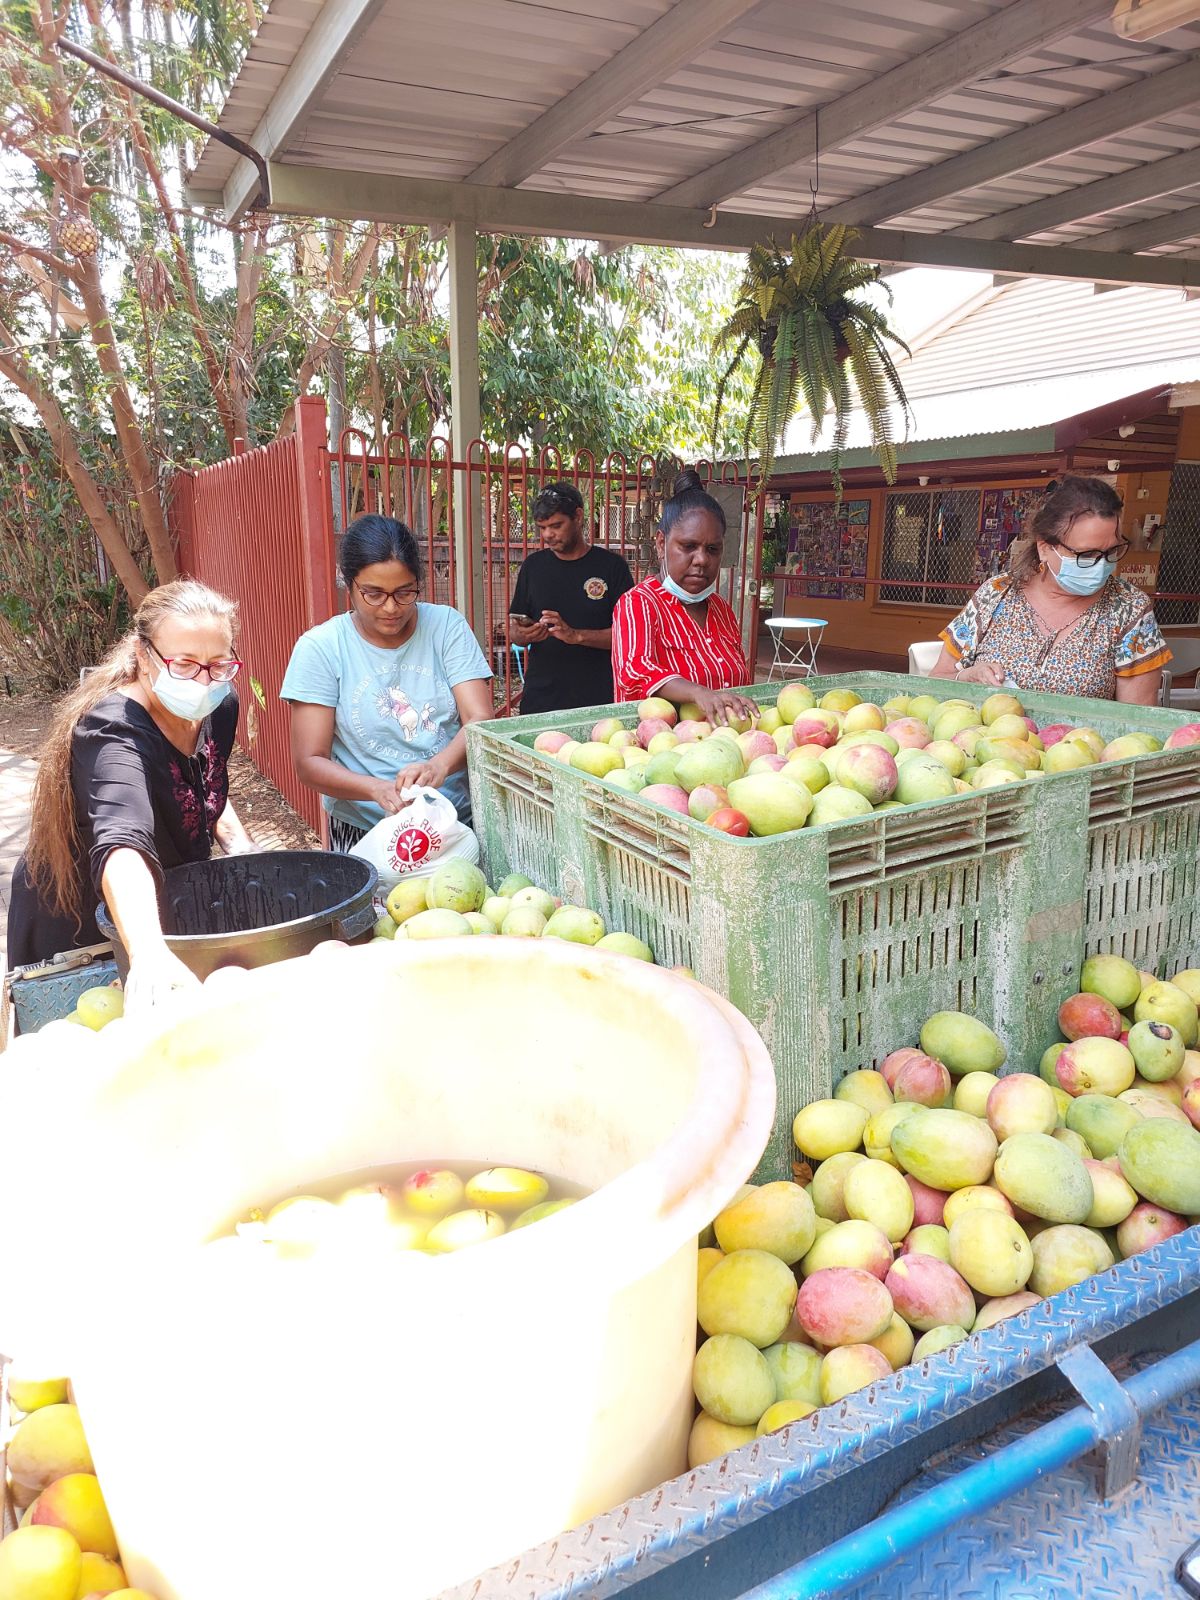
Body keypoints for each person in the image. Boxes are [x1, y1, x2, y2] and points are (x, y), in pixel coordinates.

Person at [7, 580, 253, 1008]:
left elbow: (204, 780)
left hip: (162, 904)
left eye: (218, 664)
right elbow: (123, 843)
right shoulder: (114, 731)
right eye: (184, 665)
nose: (203, 680)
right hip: (82, 923)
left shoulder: (220, 704)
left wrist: (243, 851)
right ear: (143, 655)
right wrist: (148, 953)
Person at [282, 514, 493, 852]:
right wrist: (376, 790)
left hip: (453, 821)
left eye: (405, 592)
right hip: (365, 829)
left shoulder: (446, 627)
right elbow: (310, 762)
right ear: (348, 582)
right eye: (374, 594)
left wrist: (439, 765)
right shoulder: (321, 648)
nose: (391, 608)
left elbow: (479, 718)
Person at [930, 475, 1171, 703]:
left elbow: (1136, 718)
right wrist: (965, 677)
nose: (1101, 564)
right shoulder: (996, 593)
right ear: (1045, 548)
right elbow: (936, 682)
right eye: (1086, 554)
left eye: (1111, 551)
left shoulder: (1129, 609)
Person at [611, 469, 757, 726]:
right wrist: (698, 692)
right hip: (660, 745)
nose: (701, 560)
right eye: (688, 546)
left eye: (712, 549)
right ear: (661, 544)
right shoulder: (639, 603)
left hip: (727, 743)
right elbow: (635, 671)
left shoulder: (721, 609)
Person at [506, 482, 634, 713]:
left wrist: (576, 636)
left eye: (556, 525)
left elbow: (630, 637)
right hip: (541, 700)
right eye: (542, 527)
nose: (548, 535)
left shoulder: (612, 567)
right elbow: (515, 631)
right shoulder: (533, 567)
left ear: (578, 516)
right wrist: (523, 635)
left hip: (599, 699)